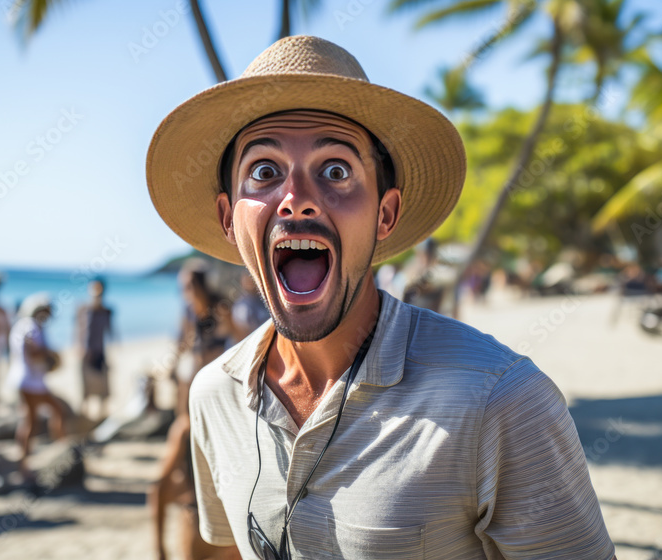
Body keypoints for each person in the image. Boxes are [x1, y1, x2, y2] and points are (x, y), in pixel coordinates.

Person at [145, 36, 617, 558]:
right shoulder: (214, 394)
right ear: (228, 219)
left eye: (336, 170)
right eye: (264, 171)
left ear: (384, 215)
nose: (296, 200)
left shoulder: (501, 401)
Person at [148, 263, 235, 560]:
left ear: (202, 285)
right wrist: (163, 370)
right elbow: (180, 347)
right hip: (186, 415)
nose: (185, 292)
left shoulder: (221, 312)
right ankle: (160, 550)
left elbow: (242, 339)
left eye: (189, 286)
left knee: (200, 489)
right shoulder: (189, 315)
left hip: (215, 415)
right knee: (163, 485)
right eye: (182, 287)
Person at [8, 293, 65, 479]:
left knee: (41, 417)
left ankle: (56, 451)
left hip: (30, 380)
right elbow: (33, 353)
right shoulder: (30, 326)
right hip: (30, 381)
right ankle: (26, 464)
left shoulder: (24, 325)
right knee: (32, 422)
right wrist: (49, 356)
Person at [75, 277, 114, 419]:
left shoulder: (106, 311)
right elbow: (78, 329)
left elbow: (110, 332)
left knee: (103, 387)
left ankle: (102, 416)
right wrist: (79, 347)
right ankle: (84, 416)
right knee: (85, 388)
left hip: (100, 352)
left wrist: (113, 353)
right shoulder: (83, 309)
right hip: (86, 353)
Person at [231, 270, 270, 343]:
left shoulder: (269, 297)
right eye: (246, 279)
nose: (249, 282)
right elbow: (244, 332)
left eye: (252, 278)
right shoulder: (241, 306)